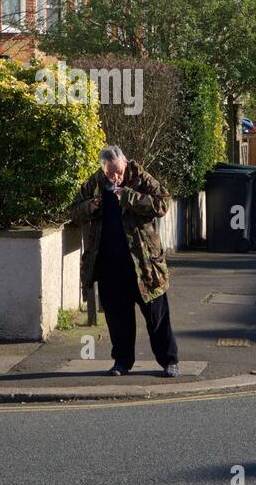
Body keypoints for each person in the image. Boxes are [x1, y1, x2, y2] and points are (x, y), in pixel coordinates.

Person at [69, 146, 179, 377]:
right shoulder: (96, 183)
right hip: (109, 265)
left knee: (156, 317)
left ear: (125, 163)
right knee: (118, 320)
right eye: (110, 173)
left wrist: (129, 196)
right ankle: (122, 362)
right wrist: (90, 206)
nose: (115, 177)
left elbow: (163, 204)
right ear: (103, 169)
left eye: (118, 171)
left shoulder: (140, 177)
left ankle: (169, 361)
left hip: (144, 265)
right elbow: (74, 211)